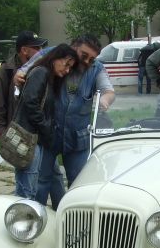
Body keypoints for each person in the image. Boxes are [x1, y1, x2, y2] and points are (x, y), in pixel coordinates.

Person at [37, 34, 116, 206]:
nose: (87, 61)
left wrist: (105, 100)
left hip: (78, 138)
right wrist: (19, 74)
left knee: (79, 185)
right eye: (84, 55)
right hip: (49, 133)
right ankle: (36, 219)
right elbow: (28, 68)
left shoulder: (97, 68)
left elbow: (108, 91)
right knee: (41, 181)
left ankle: (76, 224)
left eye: (92, 58)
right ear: (72, 47)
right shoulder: (52, 54)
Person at [11, 44, 77, 201]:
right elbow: (30, 103)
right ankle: (21, 219)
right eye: (66, 64)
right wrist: (46, 126)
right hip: (29, 137)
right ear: (56, 57)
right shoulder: (41, 72)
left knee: (38, 181)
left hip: (37, 138)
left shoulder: (49, 76)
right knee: (27, 188)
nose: (67, 70)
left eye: (70, 67)